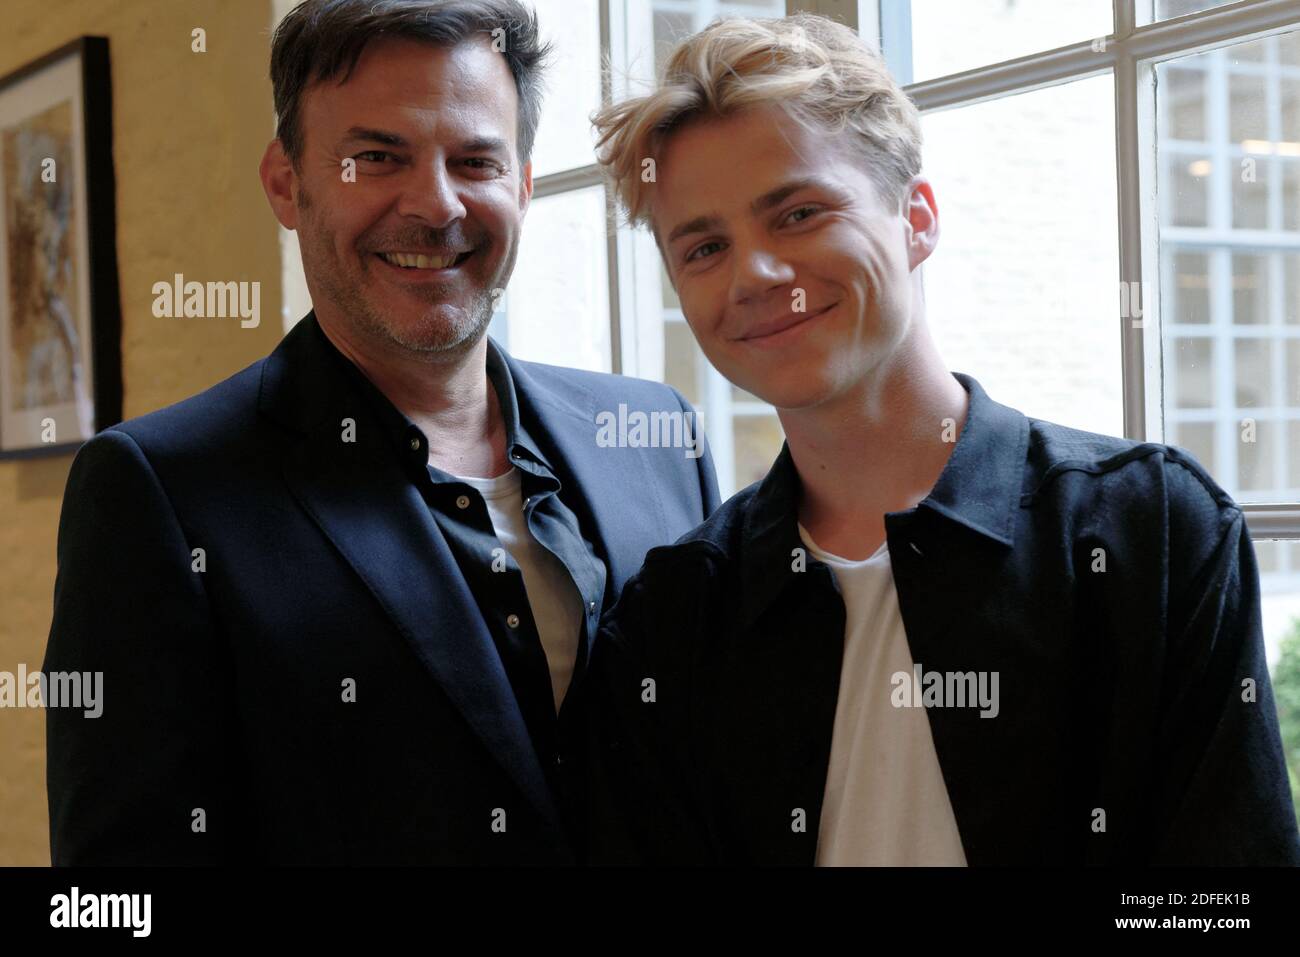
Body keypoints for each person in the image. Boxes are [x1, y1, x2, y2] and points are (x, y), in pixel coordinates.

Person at [583, 12, 1300, 865]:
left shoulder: (1153, 529)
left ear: (917, 217)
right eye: (704, 247)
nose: (756, 275)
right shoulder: (673, 617)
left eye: (800, 212)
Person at [43, 0, 719, 865]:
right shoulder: (161, 492)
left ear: (522, 184)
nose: (435, 205)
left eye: (475, 160)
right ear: (287, 184)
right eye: (376, 157)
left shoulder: (655, 435)